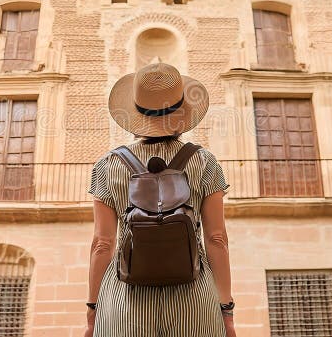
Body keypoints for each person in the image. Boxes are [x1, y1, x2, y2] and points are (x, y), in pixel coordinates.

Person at [85, 63, 236, 337]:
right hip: (195, 301)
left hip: (124, 302)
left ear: (135, 114)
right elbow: (217, 240)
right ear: (182, 114)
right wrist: (226, 311)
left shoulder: (107, 165)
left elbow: (102, 244)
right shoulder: (204, 161)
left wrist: (93, 312)